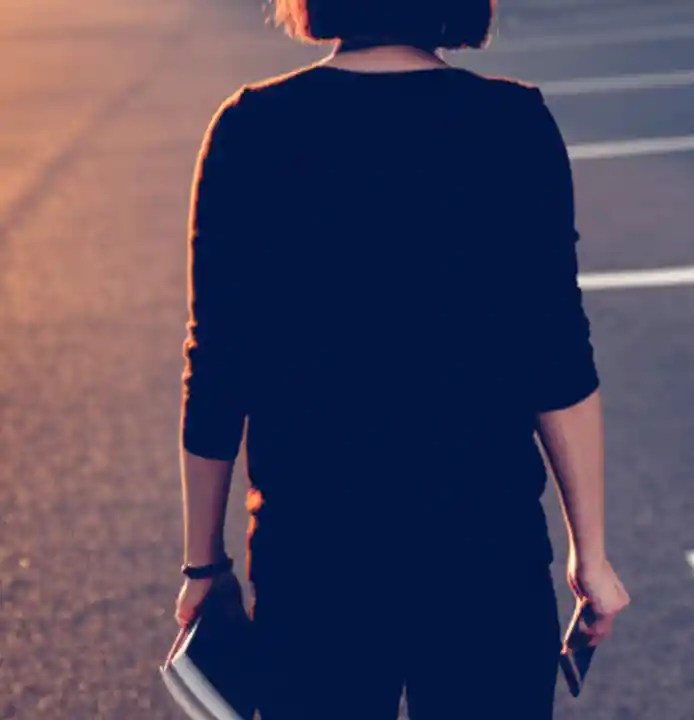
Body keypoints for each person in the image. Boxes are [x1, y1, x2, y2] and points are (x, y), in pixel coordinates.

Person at [171, 1, 630, 717]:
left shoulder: (250, 127)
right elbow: (556, 356)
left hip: (313, 557)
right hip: (485, 550)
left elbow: (218, 369)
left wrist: (204, 564)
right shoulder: (510, 123)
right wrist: (590, 556)